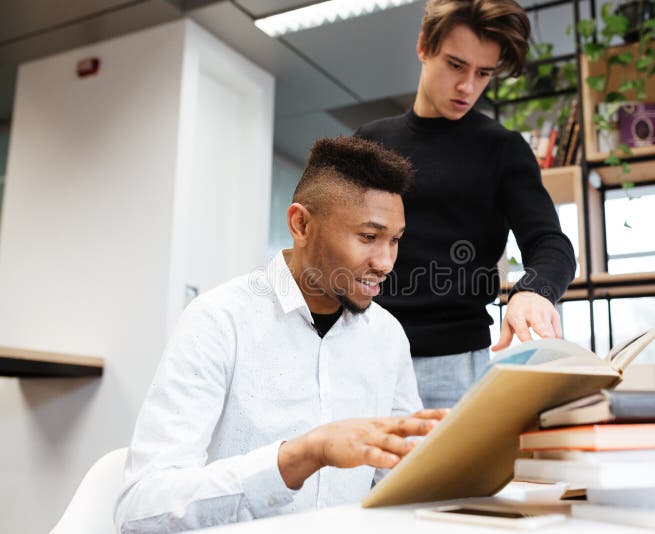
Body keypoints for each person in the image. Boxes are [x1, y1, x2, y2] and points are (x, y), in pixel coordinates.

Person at [114, 136, 447, 533]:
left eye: (394, 240)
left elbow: (402, 480)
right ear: (300, 224)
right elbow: (140, 511)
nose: (386, 262)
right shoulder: (218, 320)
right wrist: (302, 455)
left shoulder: (387, 336)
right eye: (368, 237)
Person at [356, 0, 577, 409]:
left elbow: (551, 243)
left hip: (455, 365)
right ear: (424, 47)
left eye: (484, 73)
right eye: (456, 65)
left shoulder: (503, 150)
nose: (468, 87)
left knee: (451, 476)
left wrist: (535, 292)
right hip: (362, 353)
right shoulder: (370, 142)